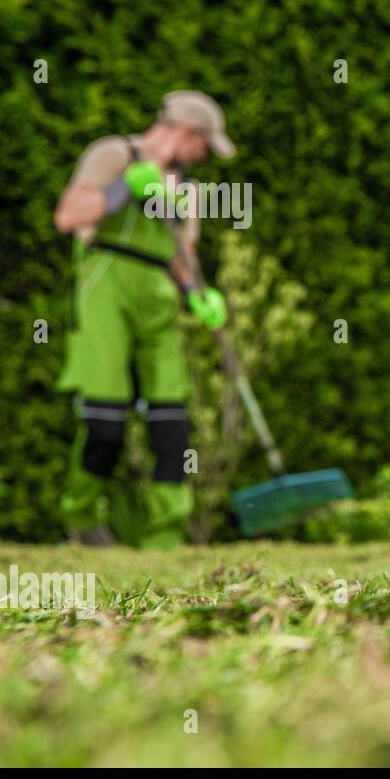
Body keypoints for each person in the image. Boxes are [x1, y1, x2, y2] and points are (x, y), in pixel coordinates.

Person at [53, 90, 235, 547]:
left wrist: (199, 292)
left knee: (171, 418)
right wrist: (123, 188)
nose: (204, 157)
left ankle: (165, 535)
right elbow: (69, 216)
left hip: (158, 296)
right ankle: (81, 516)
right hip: (105, 289)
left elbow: (181, 254)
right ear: (186, 134)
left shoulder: (189, 188)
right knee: (105, 418)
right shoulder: (115, 154)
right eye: (204, 146)